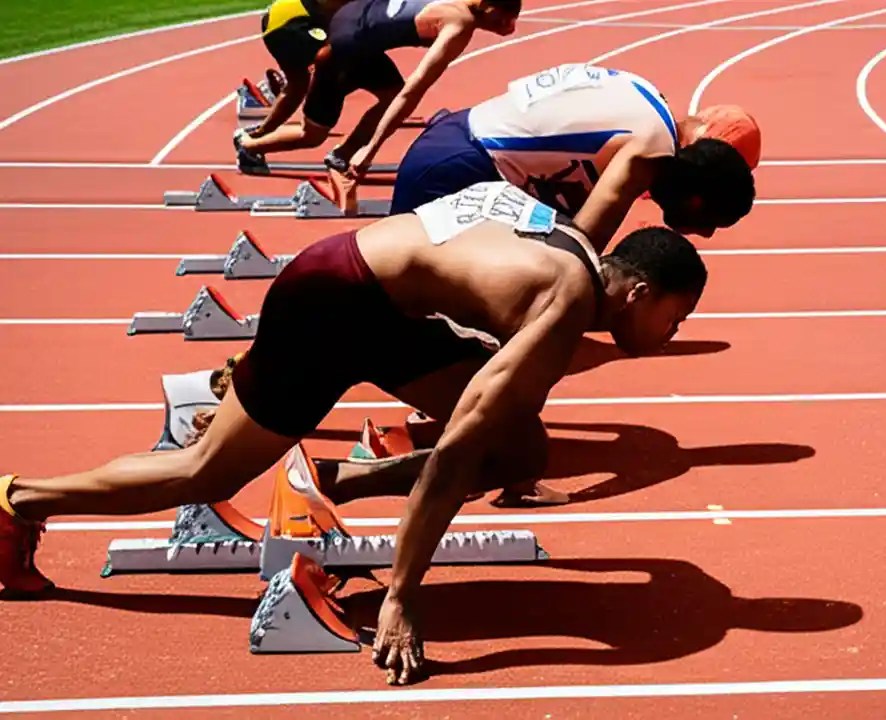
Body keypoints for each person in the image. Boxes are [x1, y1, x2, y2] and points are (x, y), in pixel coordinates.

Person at [0, 179, 708, 684]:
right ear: (638, 293)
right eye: (673, 321)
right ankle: (19, 500)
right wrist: (401, 595)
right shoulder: (562, 303)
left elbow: (455, 228)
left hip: (379, 301)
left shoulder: (572, 246)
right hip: (333, 304)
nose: (672, 337)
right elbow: (455, 455)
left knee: (522, 444)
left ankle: (330, 476)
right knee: (205, 474)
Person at [336, 63, 759, 253]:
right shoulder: (651, 149)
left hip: (455, 141)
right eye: (707, 224)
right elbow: (580, 250)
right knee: (399, 298)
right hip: (466, 168)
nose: (700, 234)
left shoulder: (644, 94)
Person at [235, 0, 521, 176]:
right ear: (488, 5)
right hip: (348, 45)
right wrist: (372, 150)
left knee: (390, 92)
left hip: (357, 21)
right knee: (312, 134)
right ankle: (249, 145)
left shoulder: (458, 3)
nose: (509, 28)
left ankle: (342, 152)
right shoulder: (461, 23)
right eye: (506, 18)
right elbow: (415, 88)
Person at [249, 0, 357, 141]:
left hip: (286, 19)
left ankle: (258, 134)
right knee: (335, 62)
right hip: (290, 22)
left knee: (298, 85)